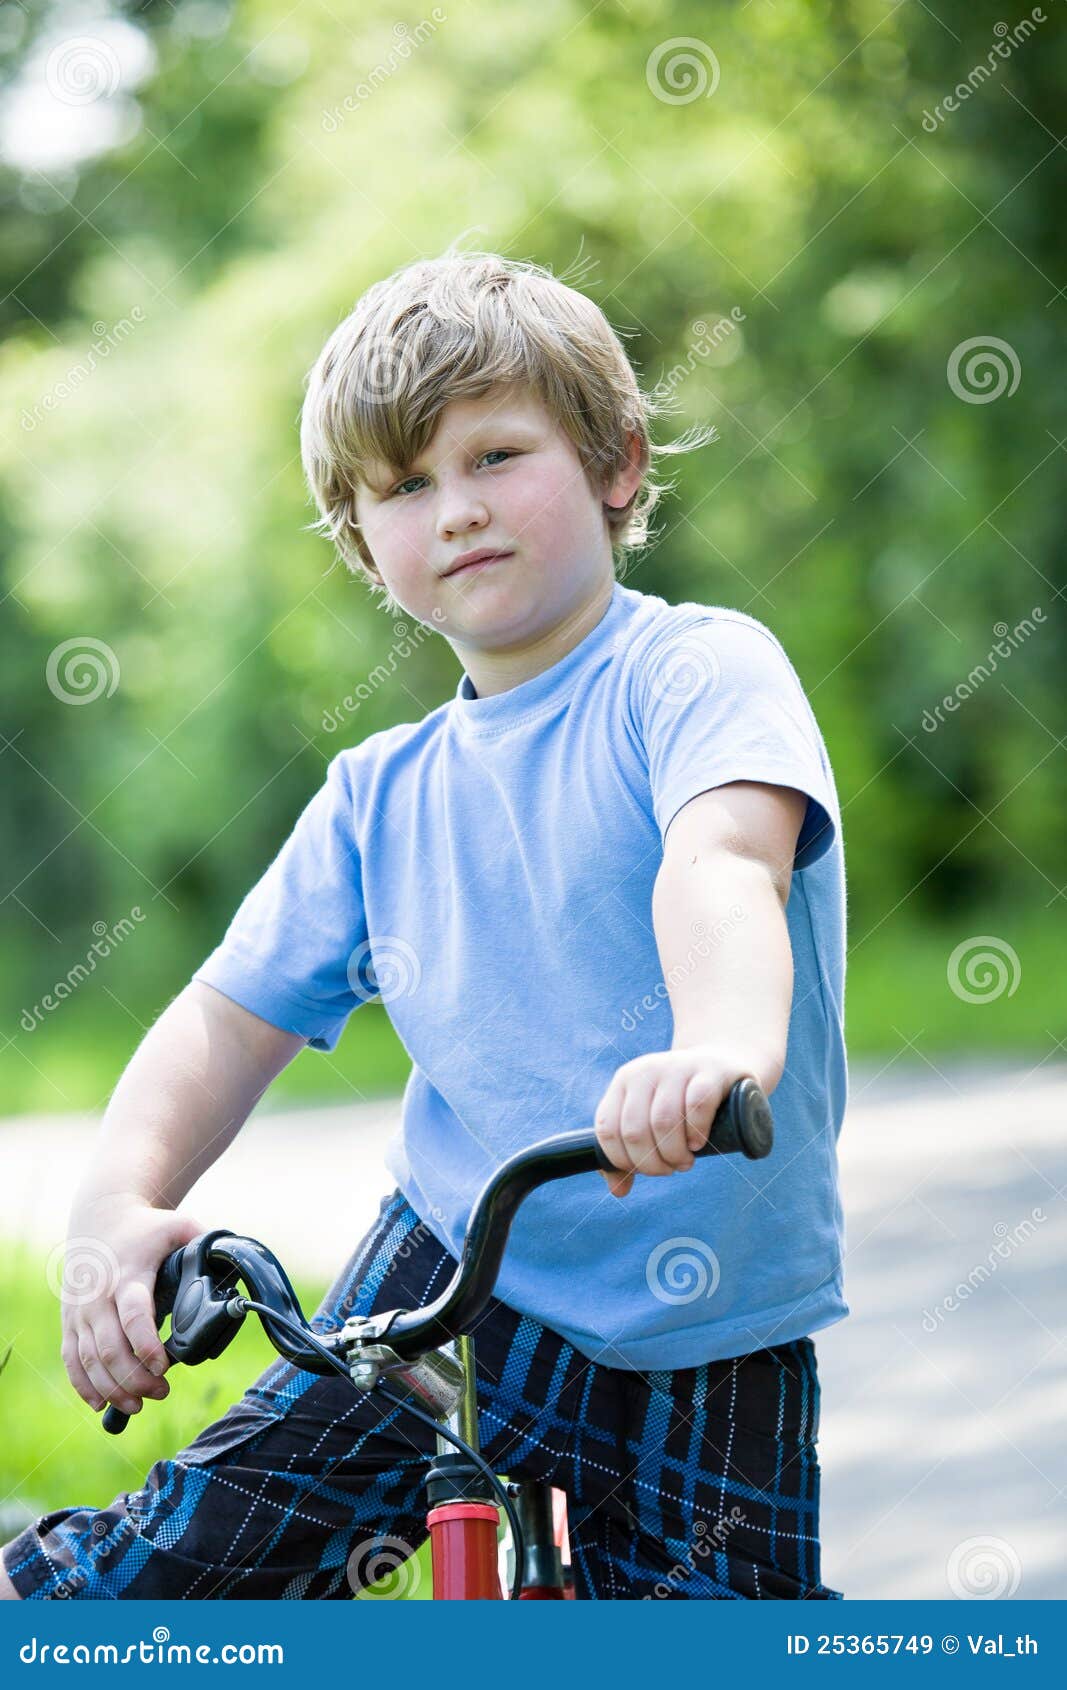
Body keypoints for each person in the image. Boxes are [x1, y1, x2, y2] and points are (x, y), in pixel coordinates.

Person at [1, 249, 847, 1601]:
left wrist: (718, 1050)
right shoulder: (376, 795)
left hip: (712, 1322)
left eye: (496, 455)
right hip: (450, 1276)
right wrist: (116, 1203)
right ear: (362, 538)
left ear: (616, 463)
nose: (456, 510)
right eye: (404, 486)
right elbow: (227, 1018)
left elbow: (724, 864)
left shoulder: (695, 672)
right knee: (161, 1575)